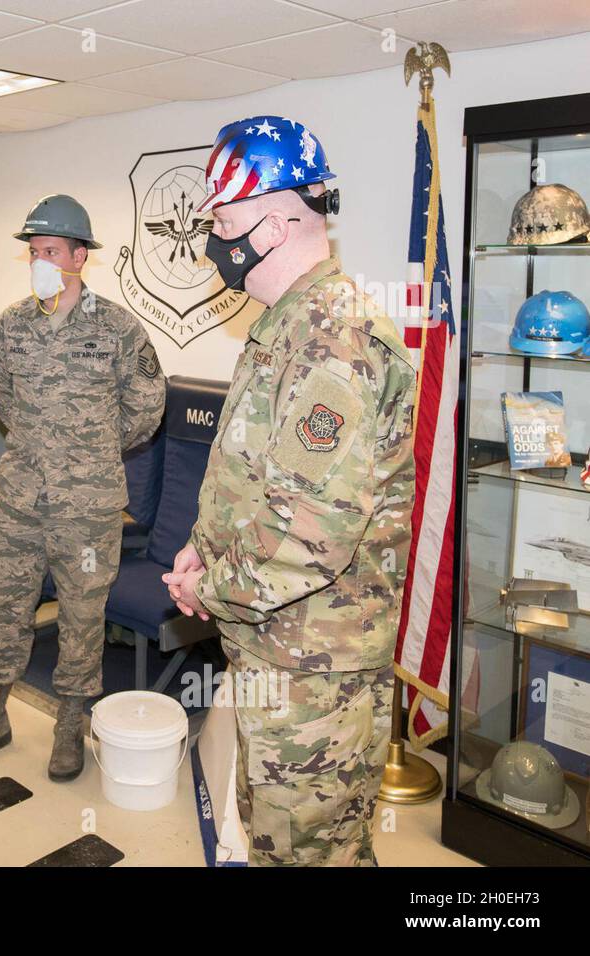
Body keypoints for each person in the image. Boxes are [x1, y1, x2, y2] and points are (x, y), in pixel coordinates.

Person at [163, 116, 417, 866]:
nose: (214, 236)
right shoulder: (286, 326)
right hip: (275, 644)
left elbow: (311, 538)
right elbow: (256, 484)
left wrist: (213, 587)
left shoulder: (335, 341)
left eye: (225, 220)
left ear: (273, 225)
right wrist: (198, 555)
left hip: (315, 667)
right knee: (291, 841)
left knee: (305, 853)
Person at [0, 195, 166, 781]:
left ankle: (70, 722)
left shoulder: (118, 328)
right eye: (33, 251)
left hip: (88, 507)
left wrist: (89, 449)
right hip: (18, 499)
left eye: (50, 250)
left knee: (82, 615)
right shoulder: (11, 324)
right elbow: (5, 399)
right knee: (3, 610)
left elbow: (146, 406)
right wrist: (47, 446)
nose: (40, 260)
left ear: (78, 256)